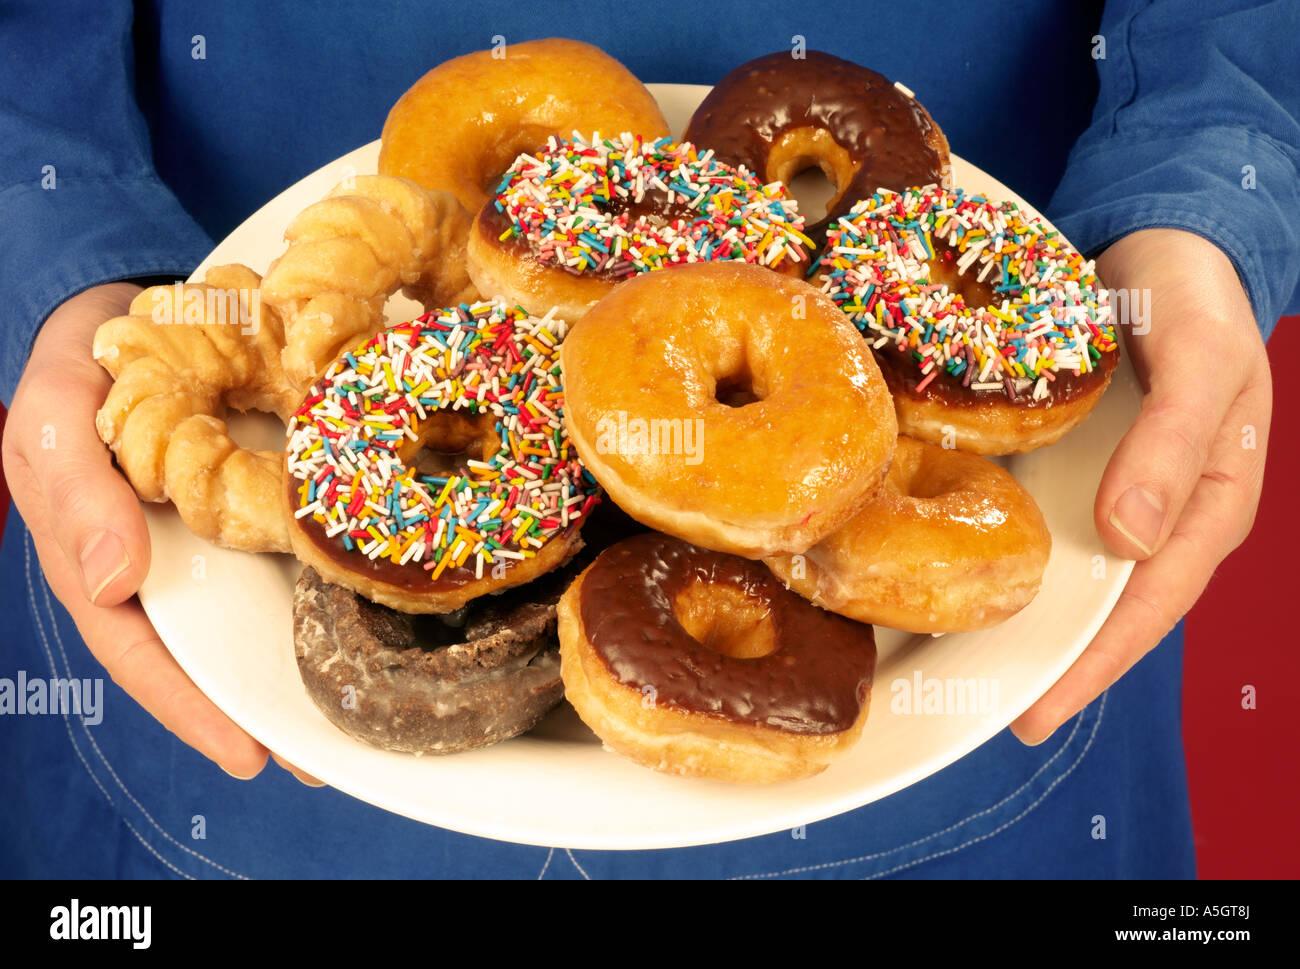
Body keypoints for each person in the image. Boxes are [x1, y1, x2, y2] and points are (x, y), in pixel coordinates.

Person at [1, 0, 1294, 878]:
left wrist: (1198, 184)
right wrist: (59, 253)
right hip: (244, 780)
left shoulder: (785, 274)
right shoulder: (440, 334)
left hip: (977, 757)